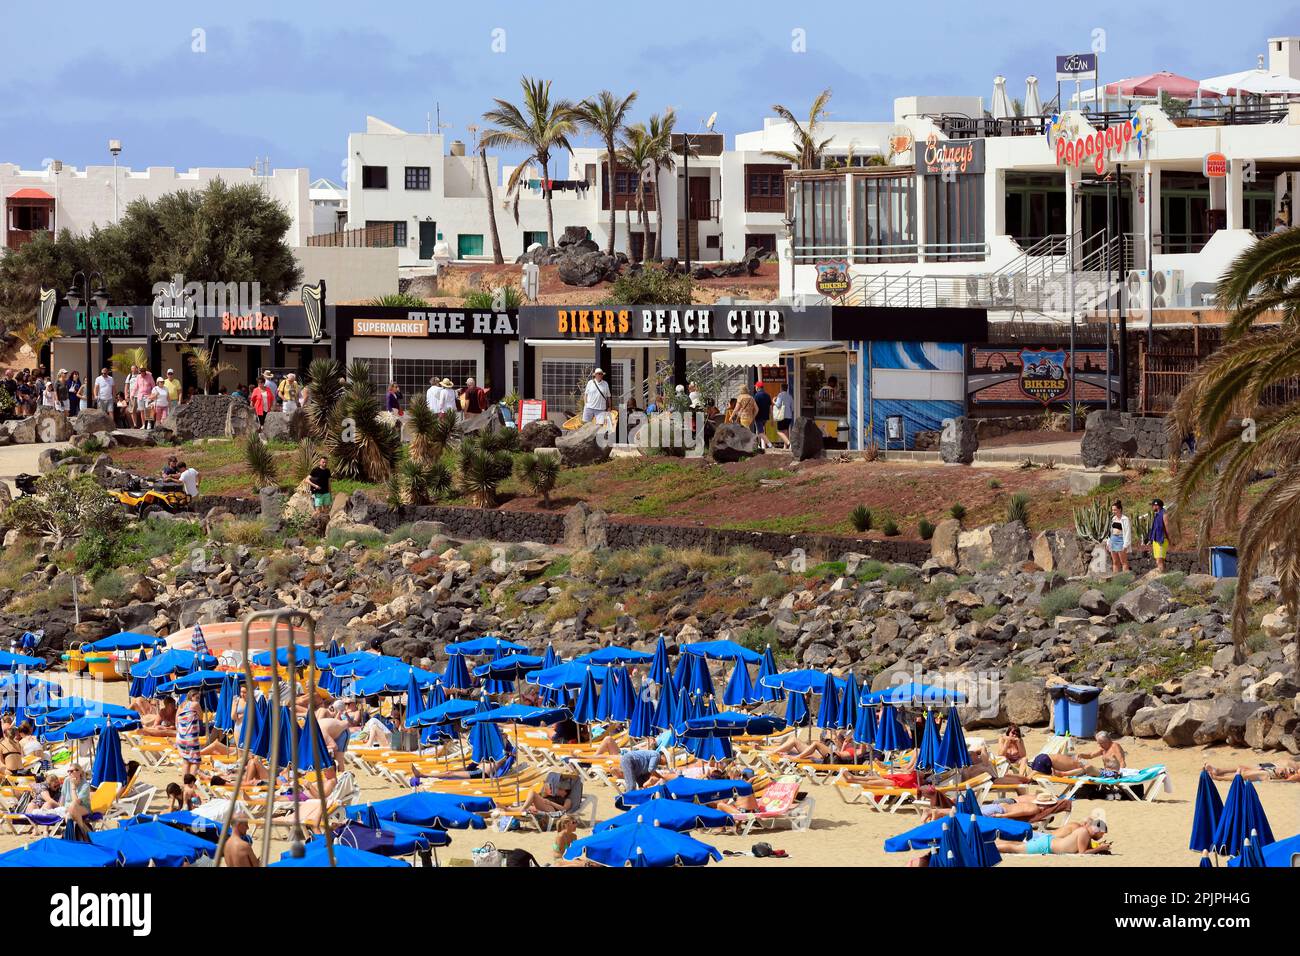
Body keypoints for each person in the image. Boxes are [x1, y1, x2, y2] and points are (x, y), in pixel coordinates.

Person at [996, 813, 1112, 855]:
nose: (1101, 836)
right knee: (1014, 848)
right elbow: (1082, 852)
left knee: (1016, 845)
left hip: (1048, 841)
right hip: (1045, 845)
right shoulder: (1083, 832)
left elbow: (1088, 848)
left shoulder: (1085, 833)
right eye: (1101, 834)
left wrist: (1100, 848)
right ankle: (991, 848)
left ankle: (992, 845)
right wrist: (1100, 848)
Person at [176, 690, 203, 776]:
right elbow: (201, 717)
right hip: (190, 737)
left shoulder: (181, 706)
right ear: (191, 696)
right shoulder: (195, 704)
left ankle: (185, 782)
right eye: (197, 697)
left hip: (180, 738)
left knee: (186, 762)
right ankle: (190, 783)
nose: (198, 700)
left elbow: (176, 722)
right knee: (196, 762)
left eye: (199, 698)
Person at [1204, 759, 1300, 782]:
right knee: (1241, 767)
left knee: (1244, 775)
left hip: (1273, 774)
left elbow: (1289, 780)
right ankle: (1218, 770)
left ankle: (1219, 777)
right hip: (1274, 766)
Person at [1145, 498, 1173, 573]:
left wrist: (1170, 539)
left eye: (1153, 505)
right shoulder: (1157, 515)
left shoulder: (1164, 514)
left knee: (1159, 560)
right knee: (1159, 560)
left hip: (1161, 540)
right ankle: (1163, 575)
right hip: (1156, 540)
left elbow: (1167, 528)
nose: (1152, 507)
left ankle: (1161, 576)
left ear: (1157, 506)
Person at [1107, 499, 1131, 574]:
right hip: (1113, 540)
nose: (1113, 511)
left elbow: (1127, 532)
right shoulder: (1113, 519)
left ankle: (1126, 579)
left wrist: (1125, 545)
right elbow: (1110, 531)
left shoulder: (1125, 519)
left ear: (1119, 509)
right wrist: (1108, 542)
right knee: (1115, 561)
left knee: (1123, 561)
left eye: (1115, 510)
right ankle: (1115, 578)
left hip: (1121, 540)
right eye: (1112, 510)